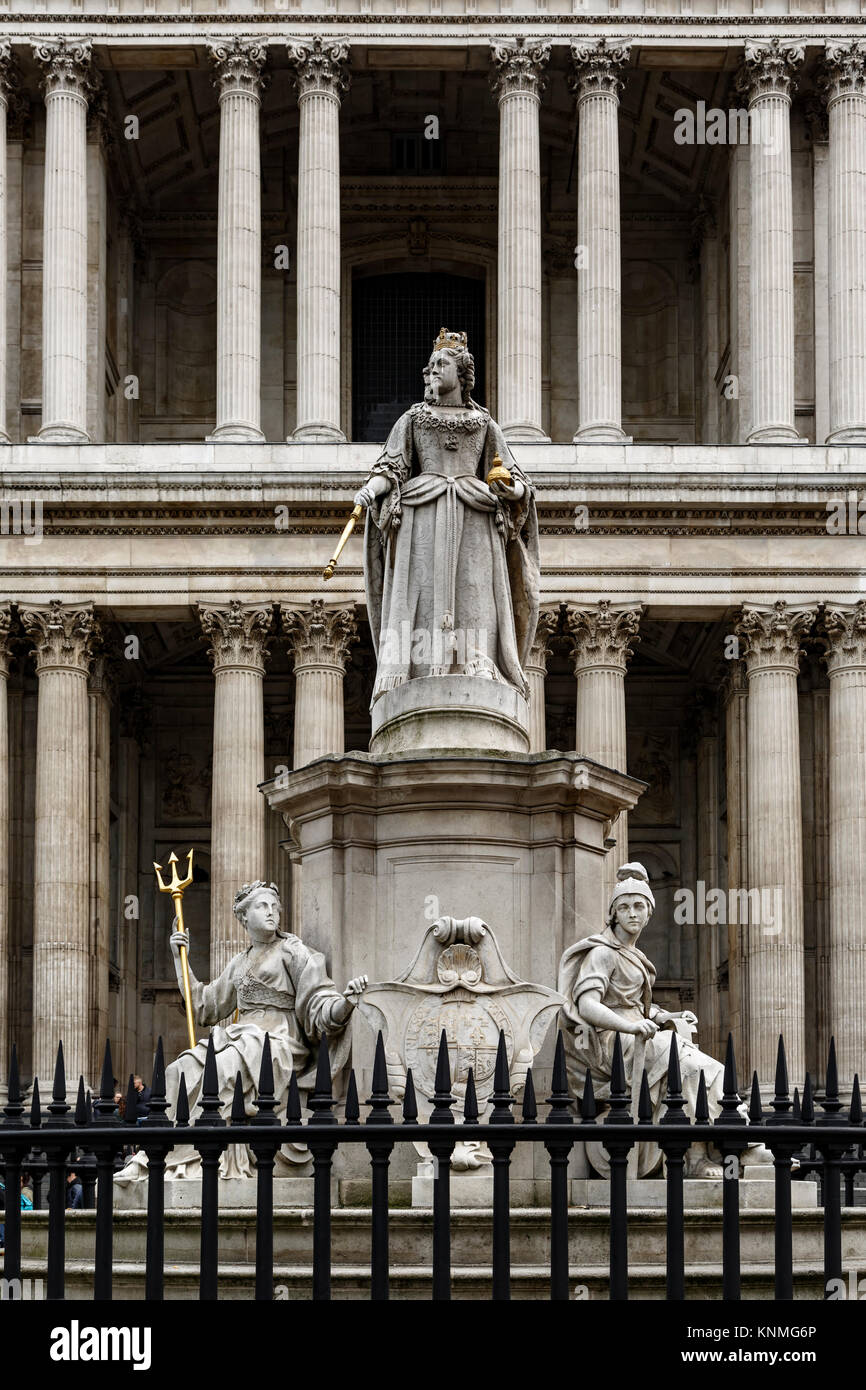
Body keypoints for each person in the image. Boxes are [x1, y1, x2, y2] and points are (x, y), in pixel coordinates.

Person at [117, 880, 368, 1181]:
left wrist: (345, 1004)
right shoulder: (239, 962)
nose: (272, 912)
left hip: (277, 1042)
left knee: (224, 1067)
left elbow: (318, 1003)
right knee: (179, 1069)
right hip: (241, 1038)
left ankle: (186, 1157)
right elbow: (206, 1006)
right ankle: (157, 1156)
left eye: (275, 906)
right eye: (263, 906)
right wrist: (179, 958)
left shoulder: (293, 951)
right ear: (244, 917)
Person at [354, 328, 539, 703]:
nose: (433, 371)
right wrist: (369, 490)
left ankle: (479, 658)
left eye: (442, 364)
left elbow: (518, 481)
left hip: (475, 511)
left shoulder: (485, 424)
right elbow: (391, 468)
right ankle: (414, 667)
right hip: (422, 511)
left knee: (475, 587)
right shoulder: (413, 419)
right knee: (419, 587)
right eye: (432, 365)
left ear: (462, 373)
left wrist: (510, 491)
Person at [559, 862, 774, 1178]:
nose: (632, 913)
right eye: (624, 907)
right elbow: (587, 1005)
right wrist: (630, 1026)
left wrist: (666, 1015)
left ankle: (703, 1154)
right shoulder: (602, 953)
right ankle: (742, 1147)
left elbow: (638, 1007)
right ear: (613, 914)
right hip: (611, 1040)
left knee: (691, 1068)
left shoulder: (637, 957)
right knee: (691, 1065)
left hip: (636, 1032)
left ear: (648, 913)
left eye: (639, 906)